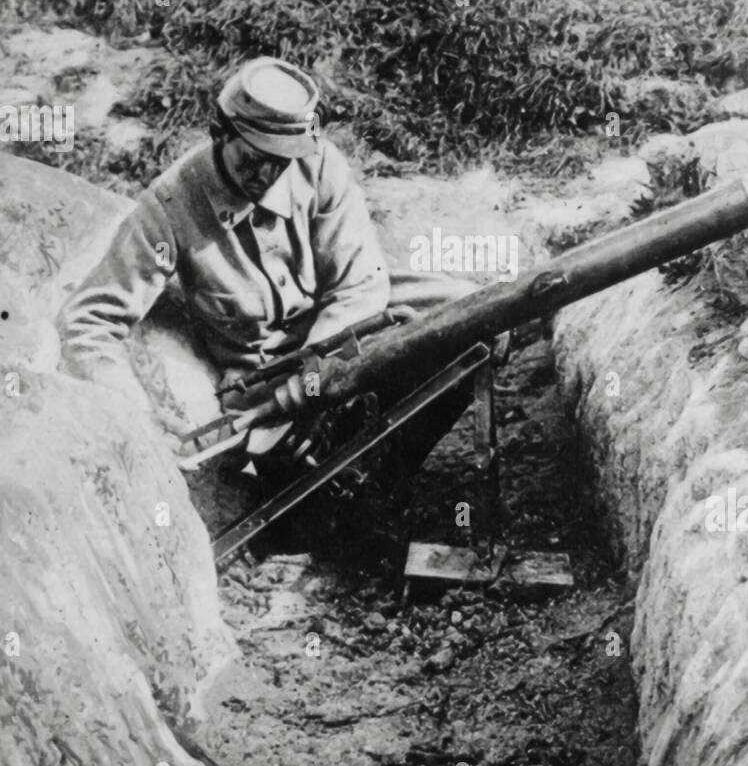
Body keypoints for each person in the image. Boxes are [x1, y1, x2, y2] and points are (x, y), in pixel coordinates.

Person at [58, 57, 477, 473]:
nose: (266, 174)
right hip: (263, 383)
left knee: (469, 316)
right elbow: (88, 321)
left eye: (280, 160)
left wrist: (319, 386)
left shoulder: (319, 166)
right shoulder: (169, 205)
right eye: (253, 157)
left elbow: (360, 288)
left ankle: (393, 472)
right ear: (221, 133)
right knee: (293, 477)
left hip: (346, 333)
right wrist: (134, 416)